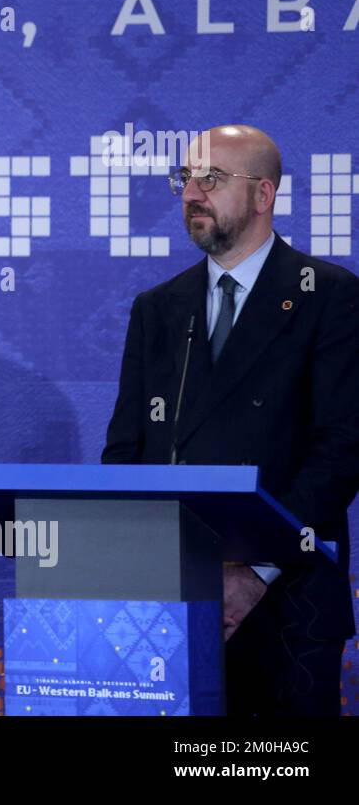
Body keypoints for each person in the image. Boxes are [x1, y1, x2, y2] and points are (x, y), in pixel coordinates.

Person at [102, 124, 359, 715]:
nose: (192, 193)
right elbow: (125, 453)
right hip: (170, 606)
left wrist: (252, 573)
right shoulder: (158, 309)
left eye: (211, 179)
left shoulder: (330, 296)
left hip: (288, 607)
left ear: (263, 195)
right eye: (185, 179)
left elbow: (340, 451)